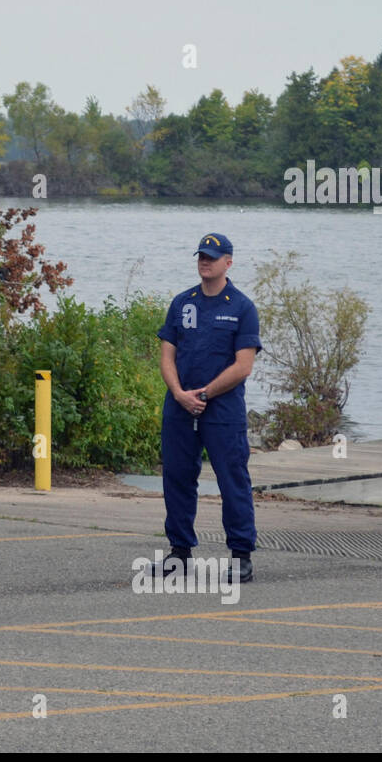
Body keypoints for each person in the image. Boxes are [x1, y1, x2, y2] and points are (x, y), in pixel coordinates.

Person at [155, 233, 261, 583]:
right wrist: (180, 392)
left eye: (212, 257)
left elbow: (243, 365)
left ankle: (241, 555)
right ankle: (180, 553)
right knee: (177, 478)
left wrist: (205, 393)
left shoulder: (241, 308)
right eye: (201, 255)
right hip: (180, 406)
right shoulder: (182, 302)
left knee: (232, 480)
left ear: (228, 262)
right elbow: (167, 353)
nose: (205, 262)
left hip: (222, 409)